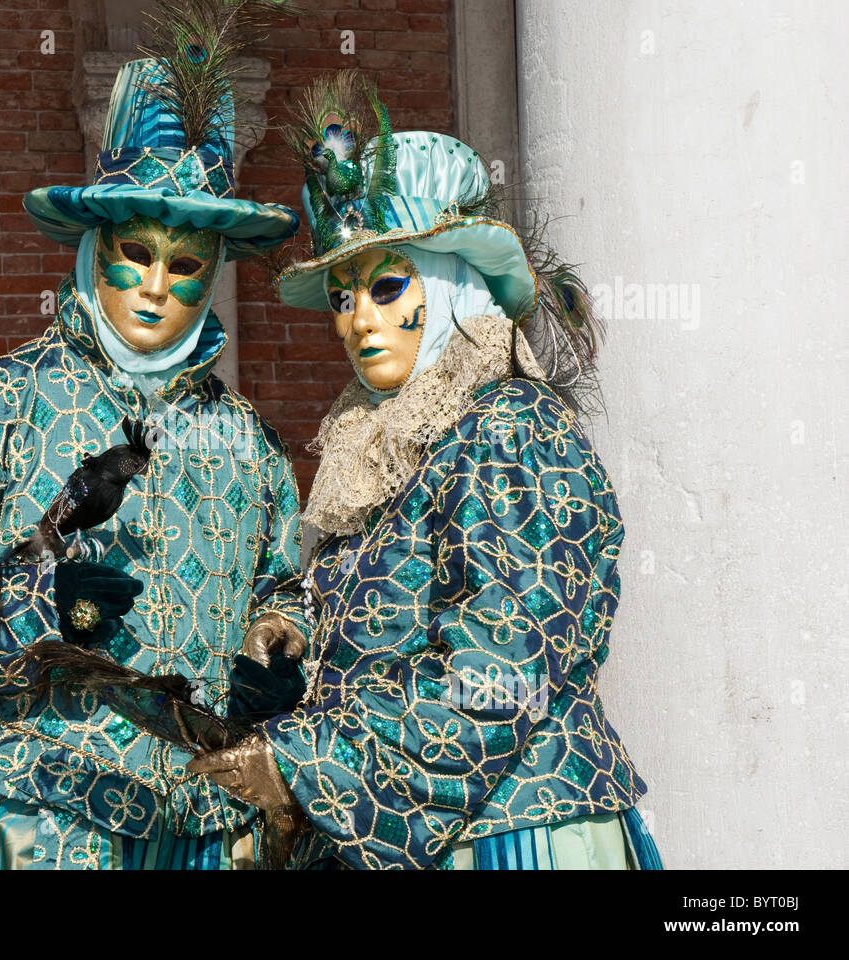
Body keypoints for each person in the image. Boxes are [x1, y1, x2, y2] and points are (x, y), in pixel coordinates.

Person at [0, 12, 308, 869]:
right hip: (38, 811)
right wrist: (38, 607)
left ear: (215, 270)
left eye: (186, 265)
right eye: (134, 252)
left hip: (208, 823)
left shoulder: (248, 441)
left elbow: (282, 585)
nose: (154, 285)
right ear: (94, 245)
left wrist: (278, 639)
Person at [188, 70, 663, 870]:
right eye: (341, 296)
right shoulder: (393, 448)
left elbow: (502, 672)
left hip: (514, 833)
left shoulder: (515, 432)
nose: (357, 321)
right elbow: (402, 605)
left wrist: (305, 766)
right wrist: (301, 634)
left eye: (384, 285)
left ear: (451, 284)